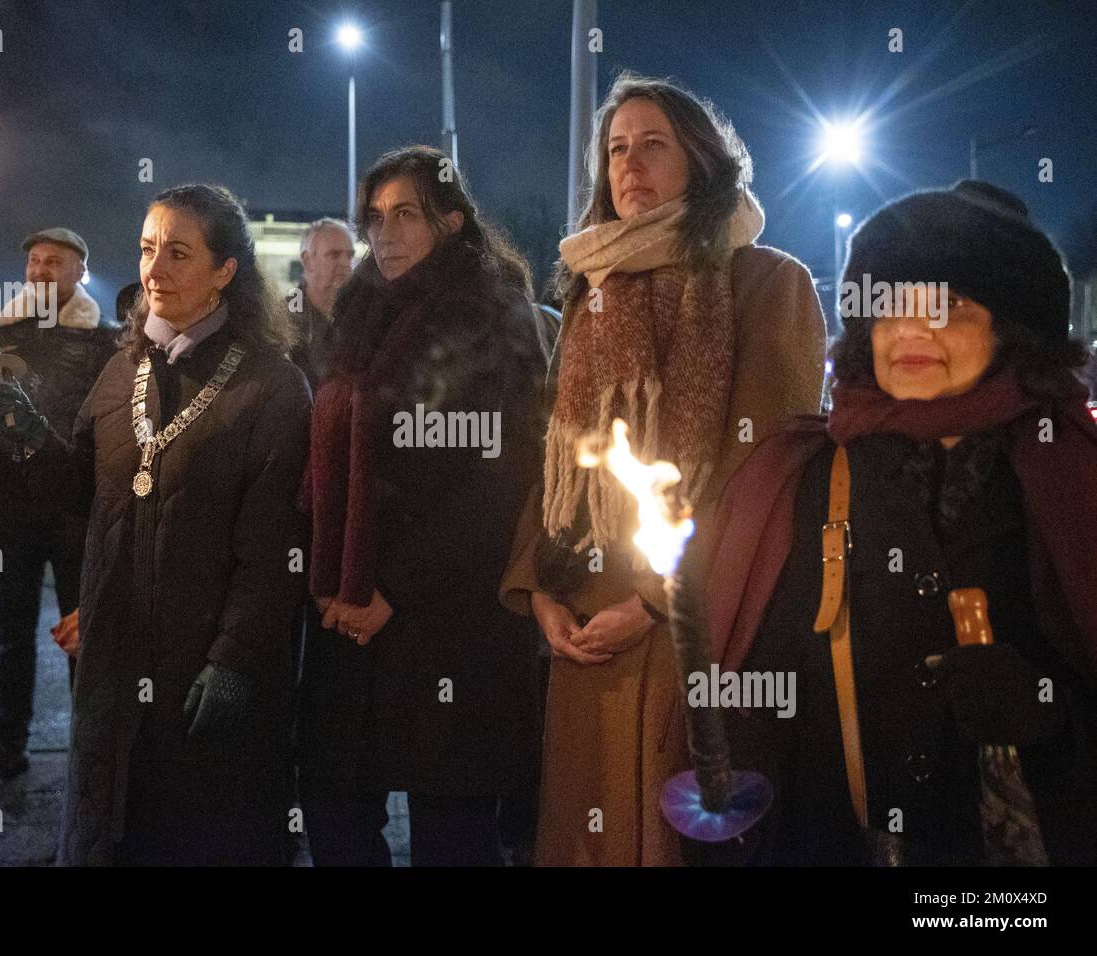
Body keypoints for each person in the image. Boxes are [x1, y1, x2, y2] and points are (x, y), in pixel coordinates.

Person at [698, 180, 1097, 865]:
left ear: (1011, 330)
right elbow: (757, 691)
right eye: (889, 305)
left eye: (949, 305)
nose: (911, 327)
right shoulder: (800, 476)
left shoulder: (1070, 477)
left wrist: (1051, 713)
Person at [499, 72, 827, 866]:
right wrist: (540, 587)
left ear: (702, 162)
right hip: (583, 616)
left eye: (653, 145)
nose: (630, 165)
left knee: (662, 828)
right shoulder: (594, 290)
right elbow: (559, 455)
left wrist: (655, 602)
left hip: (692, 620)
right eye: (616, 150)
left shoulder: (767, 281)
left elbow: (764, 477)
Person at [0, 184, 310, 865]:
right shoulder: (121, 369)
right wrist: (30, 441)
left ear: (225, 271)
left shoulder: (273, 387)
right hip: (115, 662)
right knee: (115, 835)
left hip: (203, 673)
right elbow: (85, 493)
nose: (154, 270)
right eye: (147, 248)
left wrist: (233, 660)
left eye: (178, 254)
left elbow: (276, 549)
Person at [297, 145, 546, 867]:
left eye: (406, 213)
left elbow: (504, 482)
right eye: (375, 218)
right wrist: (337, 580)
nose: (386, 233)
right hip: (348, 611)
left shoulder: (495, 314)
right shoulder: (359, 311)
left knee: (452, 832)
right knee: (335, 813)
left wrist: (392, 589)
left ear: (451, 220)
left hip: (450, 620)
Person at [0, 227, 118, 800]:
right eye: (35, 260)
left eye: (56, 261)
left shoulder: (103, 341)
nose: (42, 269)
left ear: (80, 272)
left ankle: (89, 752)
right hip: (9, 510)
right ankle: (8, 747)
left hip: (75, 509)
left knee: (83, 630)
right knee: (12, 631)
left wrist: (97, 493)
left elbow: (110, 425)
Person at [288, 218, 356, 393]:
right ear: (307, 261)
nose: (345, 264)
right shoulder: (284, 321)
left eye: (350, 256)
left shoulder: (363, 316)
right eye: (334, 255)